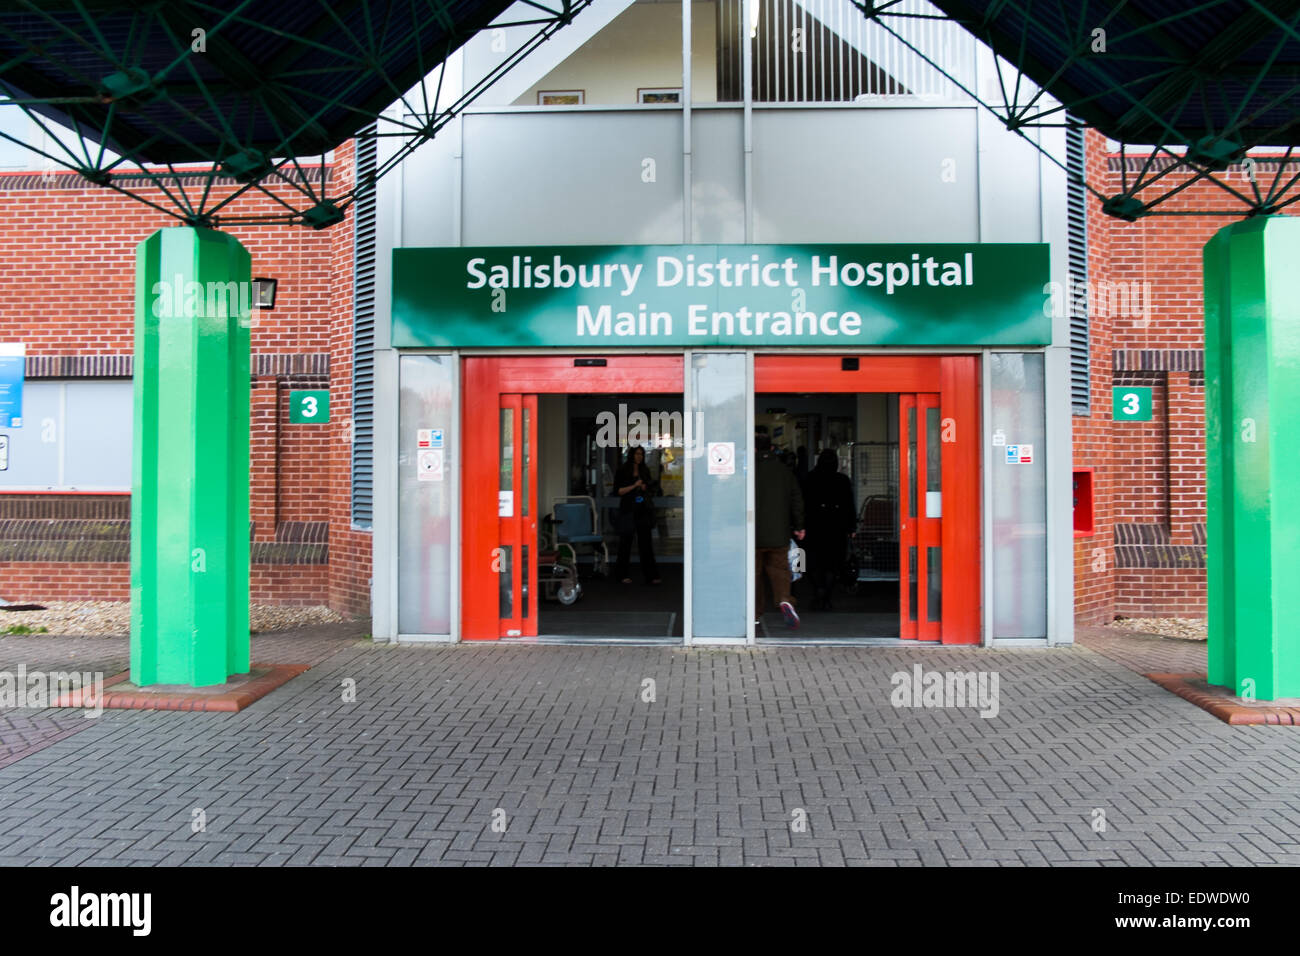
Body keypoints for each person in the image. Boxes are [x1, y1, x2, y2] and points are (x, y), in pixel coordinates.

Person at [755, 431, 805, 627]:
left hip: (753, 535)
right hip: (779, 534)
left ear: (754, 449)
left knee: (755, 575)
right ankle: (784, 600)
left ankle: (754, 614)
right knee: (780, 571)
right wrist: (799, 526)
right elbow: (797, 500)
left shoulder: (747, 470)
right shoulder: (785, 472)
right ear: (773, 448)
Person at [802, 448, 855, 611]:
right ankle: (827, 596)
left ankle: (819, 588)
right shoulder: (842, 480)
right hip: (836, 528)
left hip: (813, 527)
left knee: (813, 562)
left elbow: (801, 504)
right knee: (833, 564)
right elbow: (849, 505)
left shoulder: (808, 478)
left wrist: (798, 525)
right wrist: (851, 527)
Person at [613, 445, 661, 585]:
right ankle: (622, 575)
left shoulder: (644, 470)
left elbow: (650, 487)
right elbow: (619, 491)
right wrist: (634, 486)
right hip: (628, 509)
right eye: (637, 454)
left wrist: (645, 487)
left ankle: (651, 575)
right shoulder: (623, 470)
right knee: (625, 544)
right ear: (631, 455)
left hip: (642, 510)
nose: (639, 456)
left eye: (641, 454)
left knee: (646, 544)